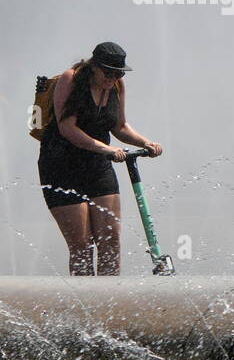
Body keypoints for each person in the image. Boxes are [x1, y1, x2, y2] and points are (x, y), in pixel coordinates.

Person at [38, 42, 163, 275]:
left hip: (97, 165)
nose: (113, 78)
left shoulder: (117, 86)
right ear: (93, 66)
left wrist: (145, 143)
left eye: (119, 73)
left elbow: (120, 126)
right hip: (61, 166)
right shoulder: (71, 79)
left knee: (110, 240)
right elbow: (67, 128)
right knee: (83, 246)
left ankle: (110, 294)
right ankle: (85, 296)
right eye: (108, 72)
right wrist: (106, 149)